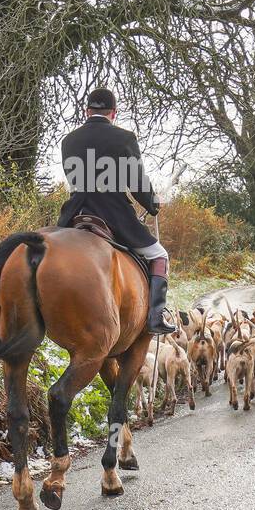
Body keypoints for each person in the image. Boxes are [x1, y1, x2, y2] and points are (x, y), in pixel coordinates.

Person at [57, 87, 176, 334]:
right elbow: (137, 183)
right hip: (113, 214)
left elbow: (75, 180)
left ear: (86, 111)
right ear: (114, 113)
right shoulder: (124, 138)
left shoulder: (68, 140)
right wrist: (152, 205)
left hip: (73, 214)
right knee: (159, 255)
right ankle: (155, 318)